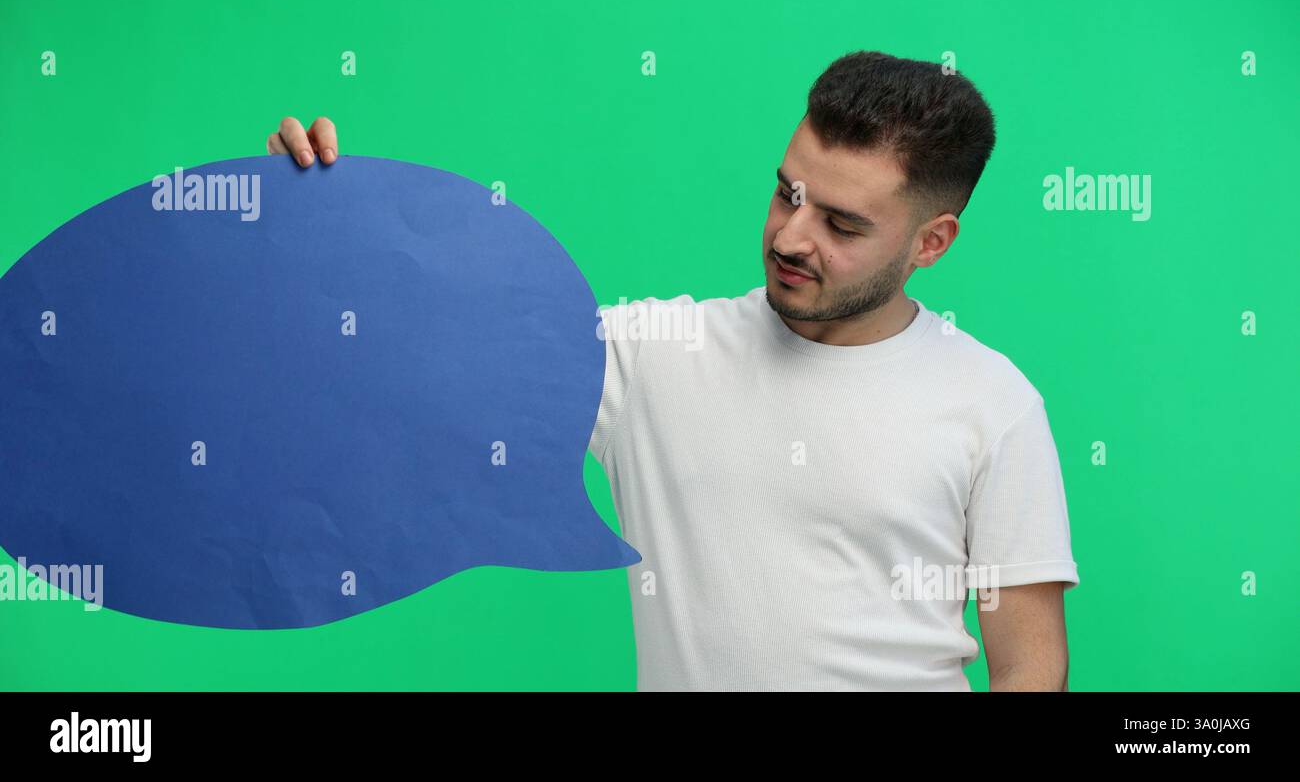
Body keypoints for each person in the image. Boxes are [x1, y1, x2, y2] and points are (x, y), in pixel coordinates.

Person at [267, 50, 1078, 692]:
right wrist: (318, 232)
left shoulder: (993, 404)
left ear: (930, 242)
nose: (793, 236)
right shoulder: (653, 353)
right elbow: (404, 357)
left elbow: (1029, 667)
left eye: (841, 222)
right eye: (788, 193)